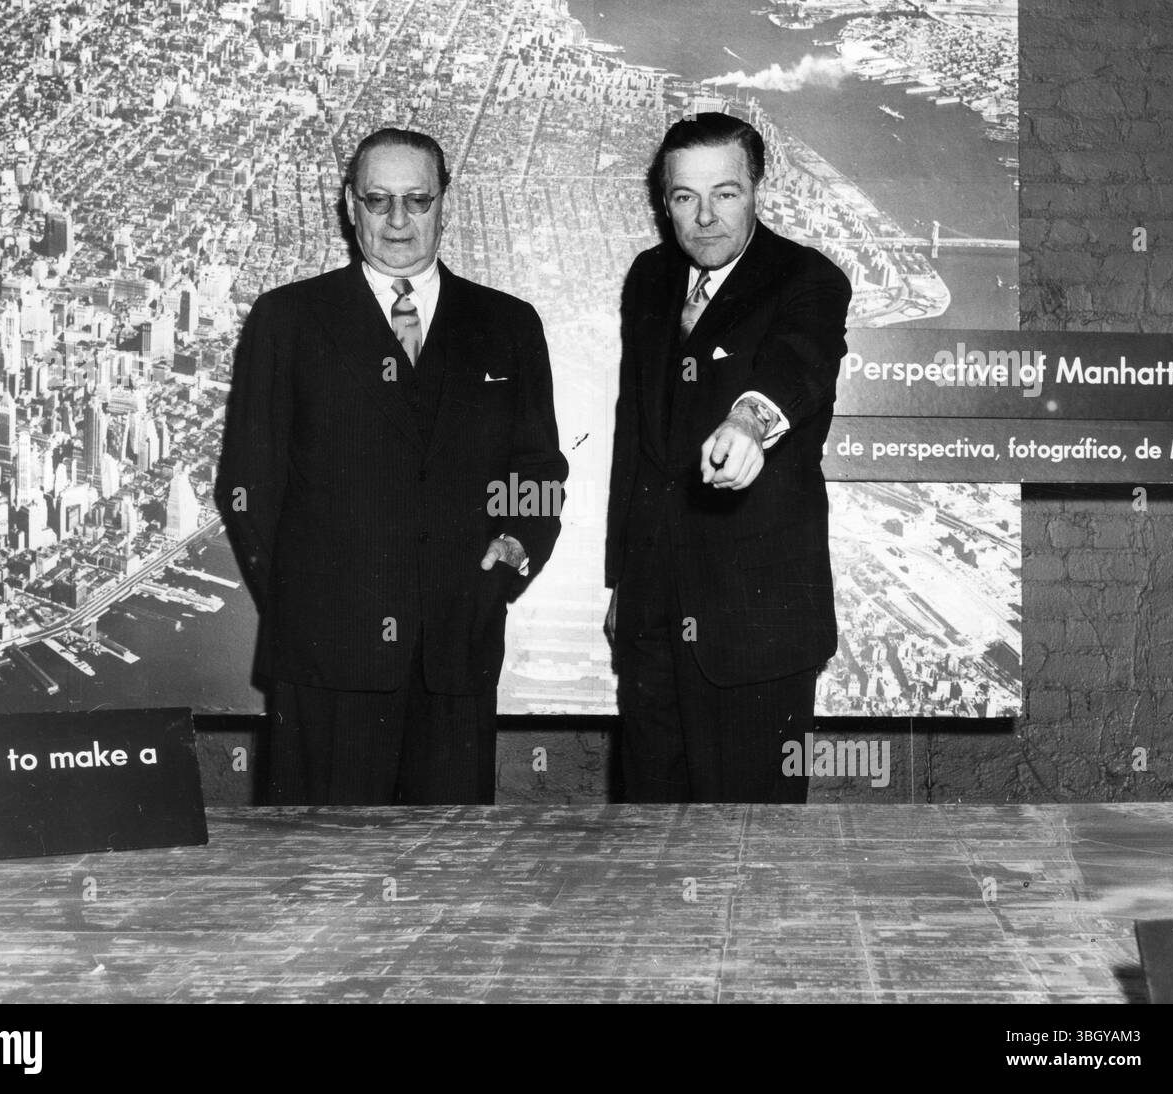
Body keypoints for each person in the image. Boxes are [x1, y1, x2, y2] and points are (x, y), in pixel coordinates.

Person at [219, 127, 567, 805]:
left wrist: (517, 545)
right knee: (325, 874)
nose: (399, 221)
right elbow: (248, 490)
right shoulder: (287, 320)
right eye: (379, 202)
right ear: (350, 206)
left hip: (456, 655)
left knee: (447, 877)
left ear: (445, 204)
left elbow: (538, 470)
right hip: (325, 664)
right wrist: (309, 605)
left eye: (417, 200)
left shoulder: (508, 325)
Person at [604, 112, 851, 803]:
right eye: (685, 197)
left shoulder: (807, 279)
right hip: (652, 617)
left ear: (756, 189)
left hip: (756, 627)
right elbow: (638, 437)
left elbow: (799, 364)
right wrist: (624, 578)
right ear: (665, 202)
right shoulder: (650, 278)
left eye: (725, 193)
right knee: (652, 845)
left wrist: (749, 421)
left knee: (753, 852)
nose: (705, 216)